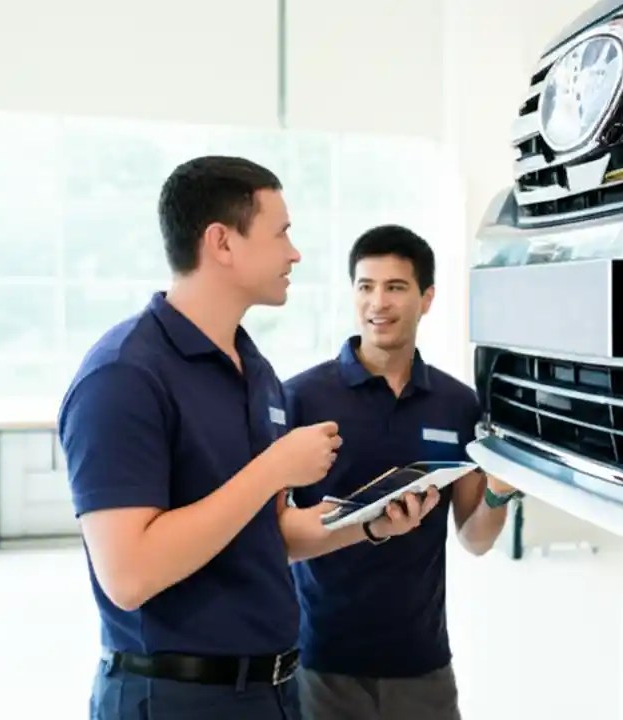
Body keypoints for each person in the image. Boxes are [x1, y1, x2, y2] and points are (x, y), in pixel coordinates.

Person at [57, 157, 441, 720]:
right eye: (281, 232)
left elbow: (270, 534)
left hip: (272, 690)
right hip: (173, 697)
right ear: (222, 243)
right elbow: (130, 574)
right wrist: (275, 468)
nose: (294, 252)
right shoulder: (123, 376)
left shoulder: (253, 369)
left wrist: (370, 523)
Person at [283, 224, 521, 720]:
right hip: (322, 662)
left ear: (426, 298)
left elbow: (475, 539)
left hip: (422, 665)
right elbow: (272, 536)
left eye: (395, 287)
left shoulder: (457, 405)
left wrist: (499, 491)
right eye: (365, 287)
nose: (378, 303)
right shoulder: (302, 398)